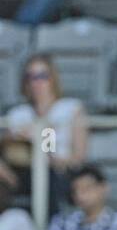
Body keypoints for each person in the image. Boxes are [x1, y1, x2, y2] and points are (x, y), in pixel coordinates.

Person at [0, 53, 89, 213]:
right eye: (31, 76)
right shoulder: (18, 114)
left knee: (47, 177)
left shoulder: (70, 108)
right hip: (21, 172)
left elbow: (77, 158)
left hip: (58, 173)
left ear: (53, 78)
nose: (37, 82)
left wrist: (38, 142)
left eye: (42, 75)